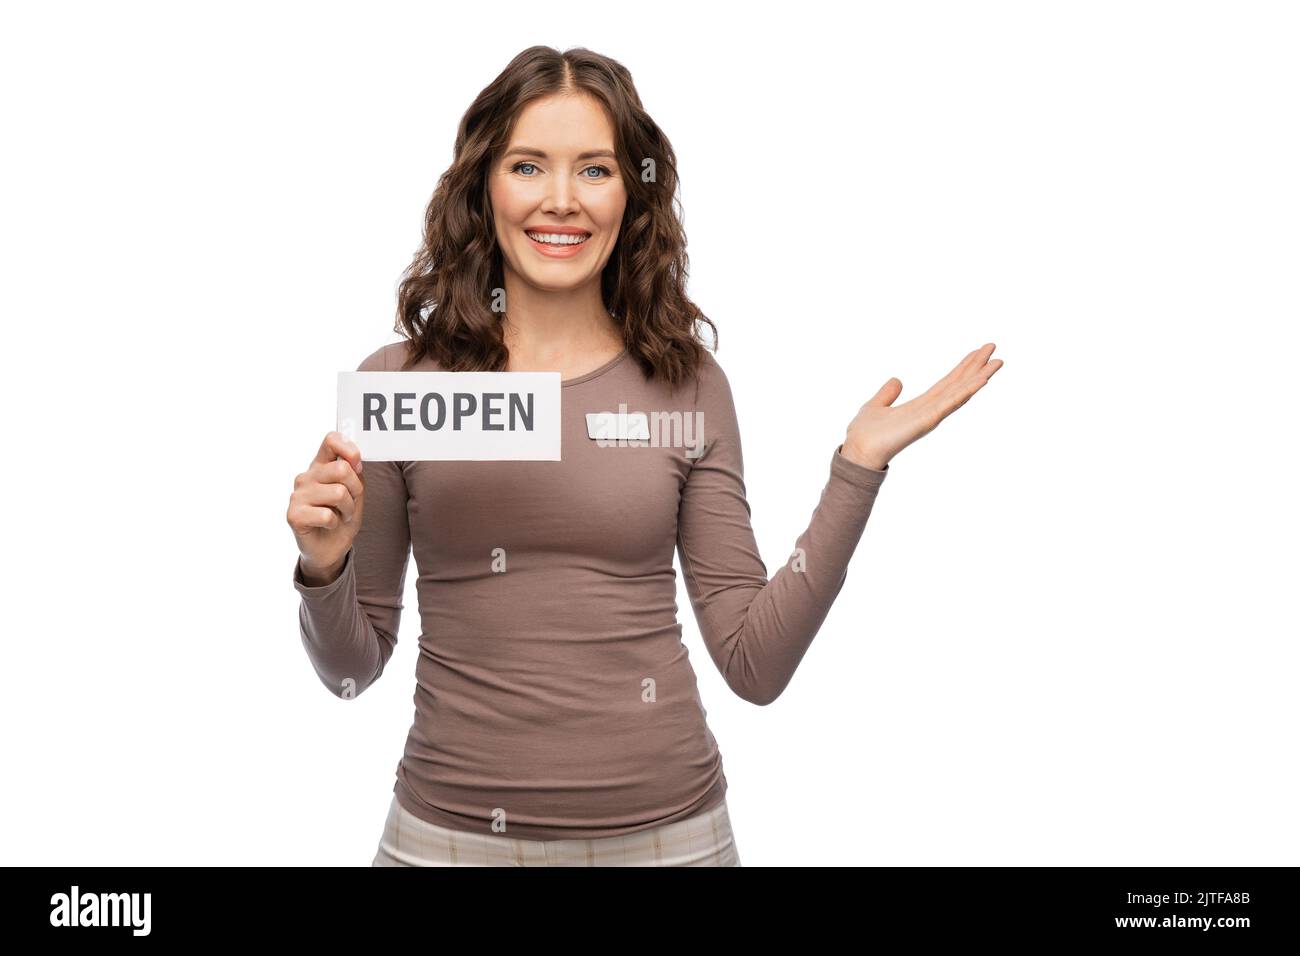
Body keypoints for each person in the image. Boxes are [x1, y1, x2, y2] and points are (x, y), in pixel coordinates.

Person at [285, 45, 1003, 867]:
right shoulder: (400, 385)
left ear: (633, 193)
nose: (561, 201)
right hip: (445, 840)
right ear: (484, 186)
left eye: (594, 170)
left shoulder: (687, 388)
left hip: (671, 843)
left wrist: (858, 468)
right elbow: (351, 669)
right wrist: (323, 570)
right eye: (528, 166)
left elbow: (754, 664)